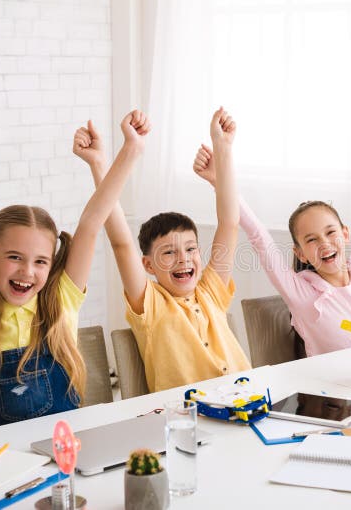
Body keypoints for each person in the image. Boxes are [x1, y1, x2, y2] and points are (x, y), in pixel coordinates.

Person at [0, 98, 149, 429]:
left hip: (66, 450)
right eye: (14, 257)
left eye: (40, 262)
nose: (27, 271)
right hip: (0, 456)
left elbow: (92, 222)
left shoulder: (61, 300)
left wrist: (130, 151)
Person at [194, 107, 351, 356]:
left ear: (345, 234)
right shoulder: (302, 294)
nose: (324, 243)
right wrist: (219, 181)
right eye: (311, 239)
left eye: (330, 232)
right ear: (300, 253)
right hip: (332, 382)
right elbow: (259, 237)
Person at [74, 107, 250, 393]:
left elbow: (229, 222)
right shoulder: (150, 304)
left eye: (190, 249)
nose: (183, 259)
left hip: (247, 397)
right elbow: (121, 243)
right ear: (148, 265)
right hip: (190, 412)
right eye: (169, 253)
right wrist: (98, 165)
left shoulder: (211, 292)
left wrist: (223, 148)